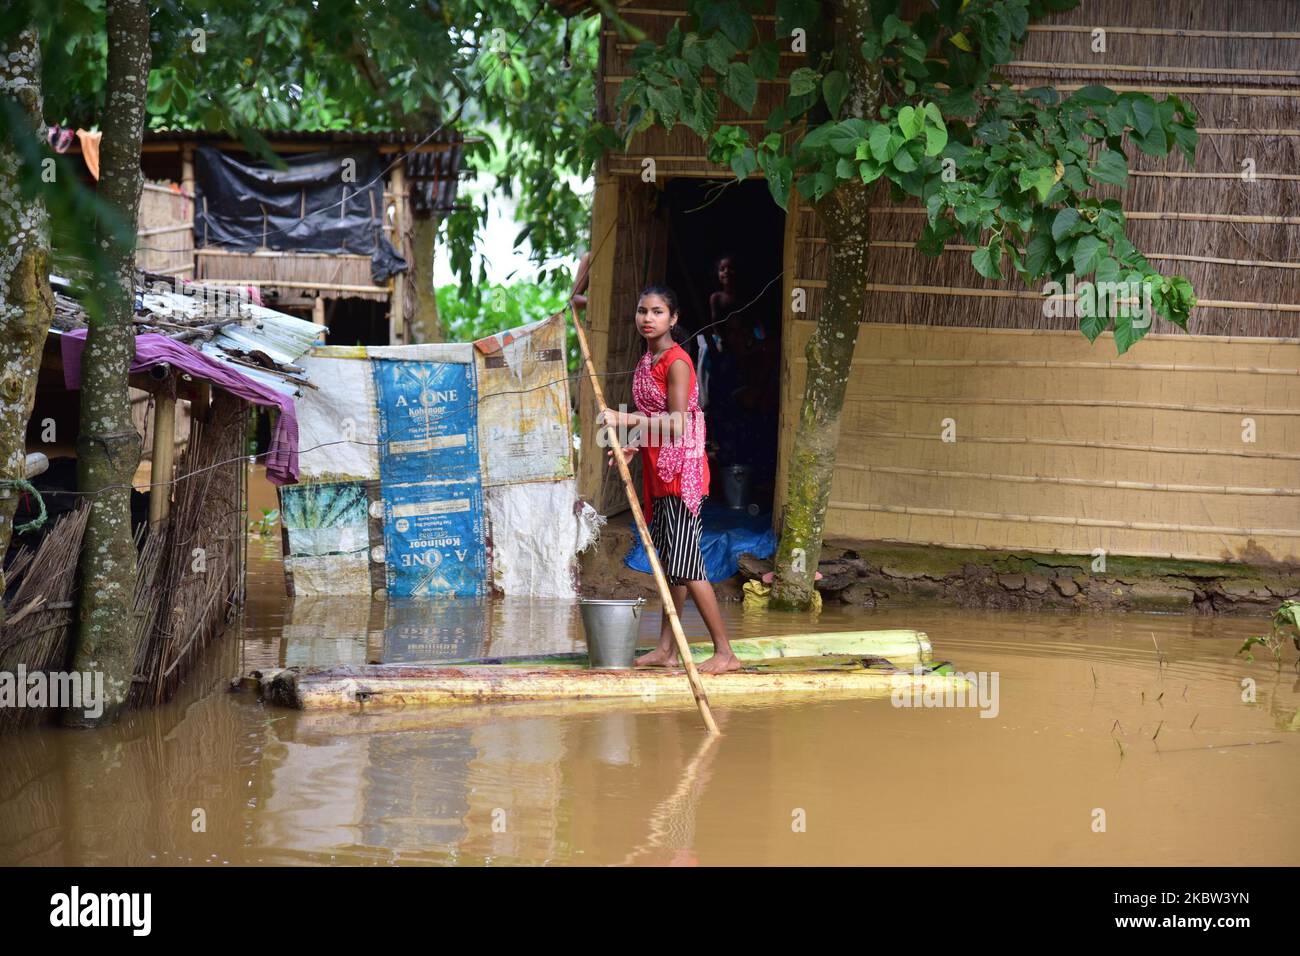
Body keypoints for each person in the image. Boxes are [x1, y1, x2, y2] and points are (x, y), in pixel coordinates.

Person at [600, 285, 740, 674]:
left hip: (683, 472)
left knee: (688, 566)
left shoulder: (677, 362)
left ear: (673, 319)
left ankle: (725, 653)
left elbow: (678, 424)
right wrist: (632, 446)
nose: (648, 318)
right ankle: (667, 649)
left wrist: (624, 419)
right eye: (642, 311)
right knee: (673, 562)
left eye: (658, 312)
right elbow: (656, 423)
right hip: (658, 469)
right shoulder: (647, 360)